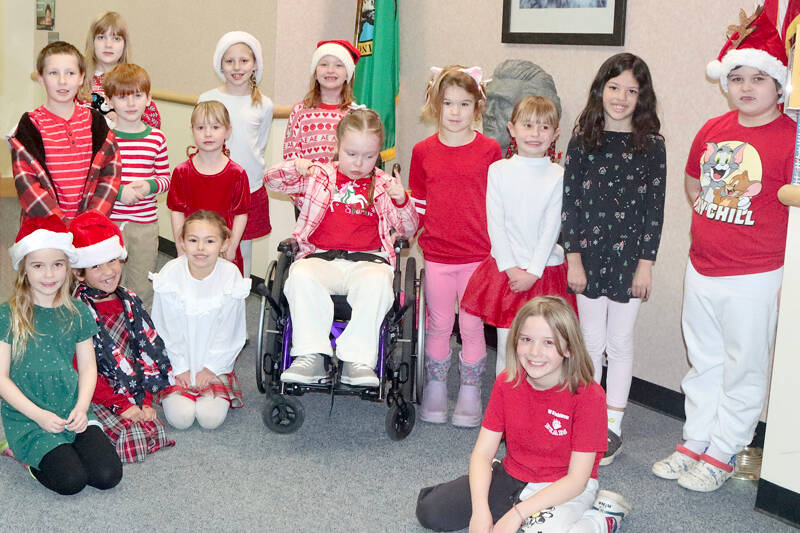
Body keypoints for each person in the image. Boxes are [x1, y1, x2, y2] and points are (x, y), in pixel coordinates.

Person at [652, 6, 794, 492]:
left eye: (759, 77)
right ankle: (696, 440)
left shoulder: (793, 136)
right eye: (737, 77)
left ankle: (727, 449)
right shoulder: (714, 129)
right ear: (725, 83)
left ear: (779, 84)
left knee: (744, 366)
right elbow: (695, 184)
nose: (746, 86)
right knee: (705, 359)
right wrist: (718, 216)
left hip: (755, 275)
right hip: (703, 268)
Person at [416, 296, 630, 533]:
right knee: (431, 512)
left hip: (565, 486)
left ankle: (603, 519)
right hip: (513, 474)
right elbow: (482, 454)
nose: (535, 352)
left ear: (569, 348)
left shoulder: (589, 395)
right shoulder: (506, 383)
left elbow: (577, 479)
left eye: (549, 342)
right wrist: (479, 509)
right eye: (526, 340)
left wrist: (517, 514)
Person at [561, 53, 666, 465]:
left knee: (620, 343)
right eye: (614, 87)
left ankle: (613, 425)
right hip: (587, 257)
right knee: (590, 342)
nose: (621, 97)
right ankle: (587, 414)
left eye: (631, 90)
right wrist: (573, 259)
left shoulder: (652, 147)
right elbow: (569, 206)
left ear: (642, 97)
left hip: (629, 262)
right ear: (600, 90)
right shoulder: (583, 142)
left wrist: (646, 264)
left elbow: (654, 211)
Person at [265, 108, 418, 387]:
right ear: (337, 145)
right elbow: (271, 179)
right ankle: (311, 356)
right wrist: (295, 166)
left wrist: (401, 202)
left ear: (379, 153)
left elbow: (408, 230)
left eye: (369, 156)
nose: (360, 163)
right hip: (320, 258)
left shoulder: (384, 184)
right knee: (299, 276)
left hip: (368, 261)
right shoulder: (319, 175)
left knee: (379, 284)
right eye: (351, 154)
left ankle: (356, 361)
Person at [0, 216, 122, 495]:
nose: (49, 274)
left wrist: (81, 407)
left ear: (68, 268)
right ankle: (23, 456)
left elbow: (89, 368)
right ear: (24, 270)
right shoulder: (7, 315)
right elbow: (1, 378)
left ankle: (67, 444)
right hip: (28, 415)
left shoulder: (78, 311)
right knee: (71, 481)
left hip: (71, 407)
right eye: (38, 266)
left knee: (107, 476)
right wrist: (39, 416)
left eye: (57, 265)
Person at [409, 65, 502, 427]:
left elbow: (498, 202)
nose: (455, 112)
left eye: (464, 104)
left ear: (477, 106)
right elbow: (419, 201)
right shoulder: (423, 150)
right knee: (438, 323)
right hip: (438, 255)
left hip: (477, 256)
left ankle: (470, 391)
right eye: (448, 103)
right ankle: (435, 387)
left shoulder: (489, 150)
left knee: (472, 326)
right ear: (436, 104)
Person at [462, 95, 576, 377]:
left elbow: (551, 229)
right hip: (506, 273)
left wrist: (533, 272)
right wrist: (512, 268)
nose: (535, 134)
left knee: (548, 350)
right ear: (512, 129)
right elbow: (496, 224)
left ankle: (542, 410)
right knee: (509, 347)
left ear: (555, 134)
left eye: (544, 128)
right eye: (528, 126)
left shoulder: (558, 175)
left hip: (544, 273)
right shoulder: (499, 171)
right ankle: (506, 412)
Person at [71, 211, 174, 463]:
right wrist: (121, 404)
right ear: (78, 273)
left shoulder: (129, 300)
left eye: (112, 261)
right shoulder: (76, 312)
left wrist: (146, 399)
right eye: (95, 265)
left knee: (152, 429)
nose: (108, 272)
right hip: (96, 390)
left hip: (133, 386)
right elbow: (80, 370)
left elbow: (146, 352)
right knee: (133, 441)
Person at [150, 210, 250, 430]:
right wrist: (179, 367)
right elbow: (163, 328)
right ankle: (178, 385)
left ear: (224, 244)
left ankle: (215, 381)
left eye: (210, 241)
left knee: (210, 420)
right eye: (193, 240)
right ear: (183, 242)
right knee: (181, 419)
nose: (201, 248)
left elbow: (231, 331)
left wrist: (211, 368)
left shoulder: (230, 274)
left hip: (214, 363)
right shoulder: (170, 273)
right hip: (178, 362)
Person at [9, 41, 121, 225]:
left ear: (81, 77)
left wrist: (91, 219)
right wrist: (60, 222)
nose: (63, 81)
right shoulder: (29, 127)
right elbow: (28, 185)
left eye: (70, 73)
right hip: (44, 225)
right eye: (53, 73)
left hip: (89, 224)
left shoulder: (96, 124)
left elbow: (110, 174)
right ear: (41, 78)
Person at [199, 31, 274, 279]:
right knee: (208, 242)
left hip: (248, 187)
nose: (237, 67)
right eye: (229, 61)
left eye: (244, 61)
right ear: (220, 64)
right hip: (213, 185)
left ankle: (239, 296)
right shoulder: (208, 99)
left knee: (242, 248)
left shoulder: (264, 104)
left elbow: (259, 144)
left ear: (255, 65)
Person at [102, 63, 170, 309]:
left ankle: (141, 334)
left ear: (148, 99)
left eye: (138, 96)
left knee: (141, 283)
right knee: (107, 281)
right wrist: (120, 192)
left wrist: (149, 185)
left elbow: (165, 178)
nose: (131, 103)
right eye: (122, 97)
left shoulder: (156, 138)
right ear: (109, 101)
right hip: (111, 223)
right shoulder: (106, 137)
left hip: (145, 225)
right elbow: (98, 178)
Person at [167, 101, 250, 274]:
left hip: (223, 248)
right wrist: (179, 244)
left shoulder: (237, 173)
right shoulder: (182, 172)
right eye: (200, 128)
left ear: (227, 131)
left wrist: (232, 246)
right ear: (192, 131)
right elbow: (177, 211)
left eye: (215, 127)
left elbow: (241, 213)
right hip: (192, 246)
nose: (208, 133)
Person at [282, 40, 361, 207]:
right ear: (315, 72)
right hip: (307, 198)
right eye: (324, 64)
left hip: (344, 199)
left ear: (348, 73)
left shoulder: (355, 114)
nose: (330, 70)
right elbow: (291, 158)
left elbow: (360, 159)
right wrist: (302, 199)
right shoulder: (300, 111)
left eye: (339, 65)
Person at [79, 11, 161, 128]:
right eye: (101, 37)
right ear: (92, 42)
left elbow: (153, 124)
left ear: (124, 44)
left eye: (116, 38)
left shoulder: (134, 79)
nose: (108, 44)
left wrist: (124, 122)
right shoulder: (78, 79)